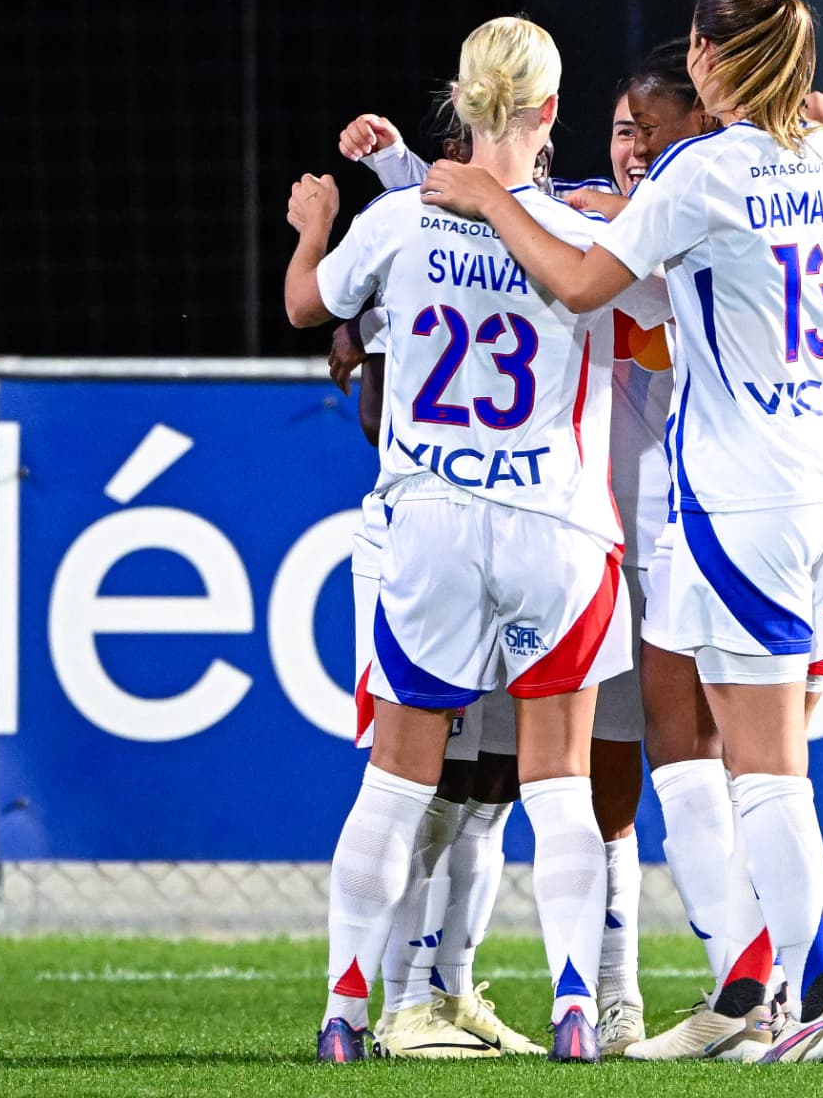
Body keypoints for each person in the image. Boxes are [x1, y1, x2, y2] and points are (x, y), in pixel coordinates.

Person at [419, 0, 823, 1063]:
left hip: (747, 498)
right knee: (734, 750)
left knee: (764, 768)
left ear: (704, 57)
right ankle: (749, 995)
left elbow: (581, 286)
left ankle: (813, 1006)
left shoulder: (703, 168)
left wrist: (494, 202)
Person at [288, 14, 673, 1063]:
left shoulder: (399, 220)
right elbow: (665, 301)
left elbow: (307, 304)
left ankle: (346, 1013)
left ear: (461, 102)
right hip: (556, 525)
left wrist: (315, 225)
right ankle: (576, 1009)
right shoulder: (585, 238)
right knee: (558, 784)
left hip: (431, 524)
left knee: (395, 781)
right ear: (550, 110)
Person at [326, 108, 542, 1060]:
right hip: (418, 540)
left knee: (490, 791)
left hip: (508, 543)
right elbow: (334, 336)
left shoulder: (532, 228)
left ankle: (447, 991)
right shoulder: (428, 233)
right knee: (417, 782)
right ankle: (381, 1002)